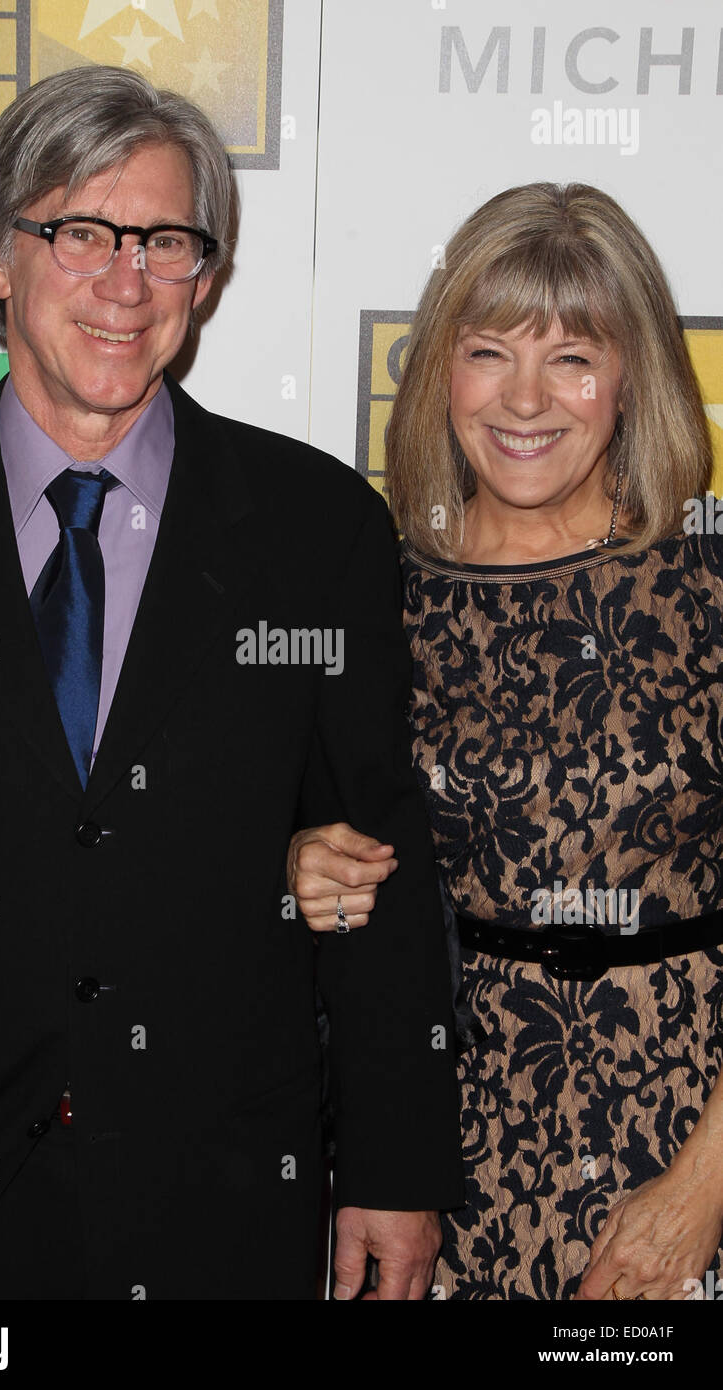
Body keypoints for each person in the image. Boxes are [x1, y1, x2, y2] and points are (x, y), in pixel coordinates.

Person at [0, 66, 462, 1301]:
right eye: (80, 232)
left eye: (167, 241)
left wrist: (393, 1168)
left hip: (218, 1200)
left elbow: (374, 866)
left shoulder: (315, 530)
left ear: (208, 272)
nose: (125, 282)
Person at [288, 182, 723, 1300]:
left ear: (631, 384)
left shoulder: (705, 596)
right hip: (434, 1169)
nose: (524, 399)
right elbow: (241, 846)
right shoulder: (365, 601)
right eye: (488, 352)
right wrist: (291, 864)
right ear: (438, 369)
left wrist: (696, 1194)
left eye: (573, 357)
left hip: (685, 1151)